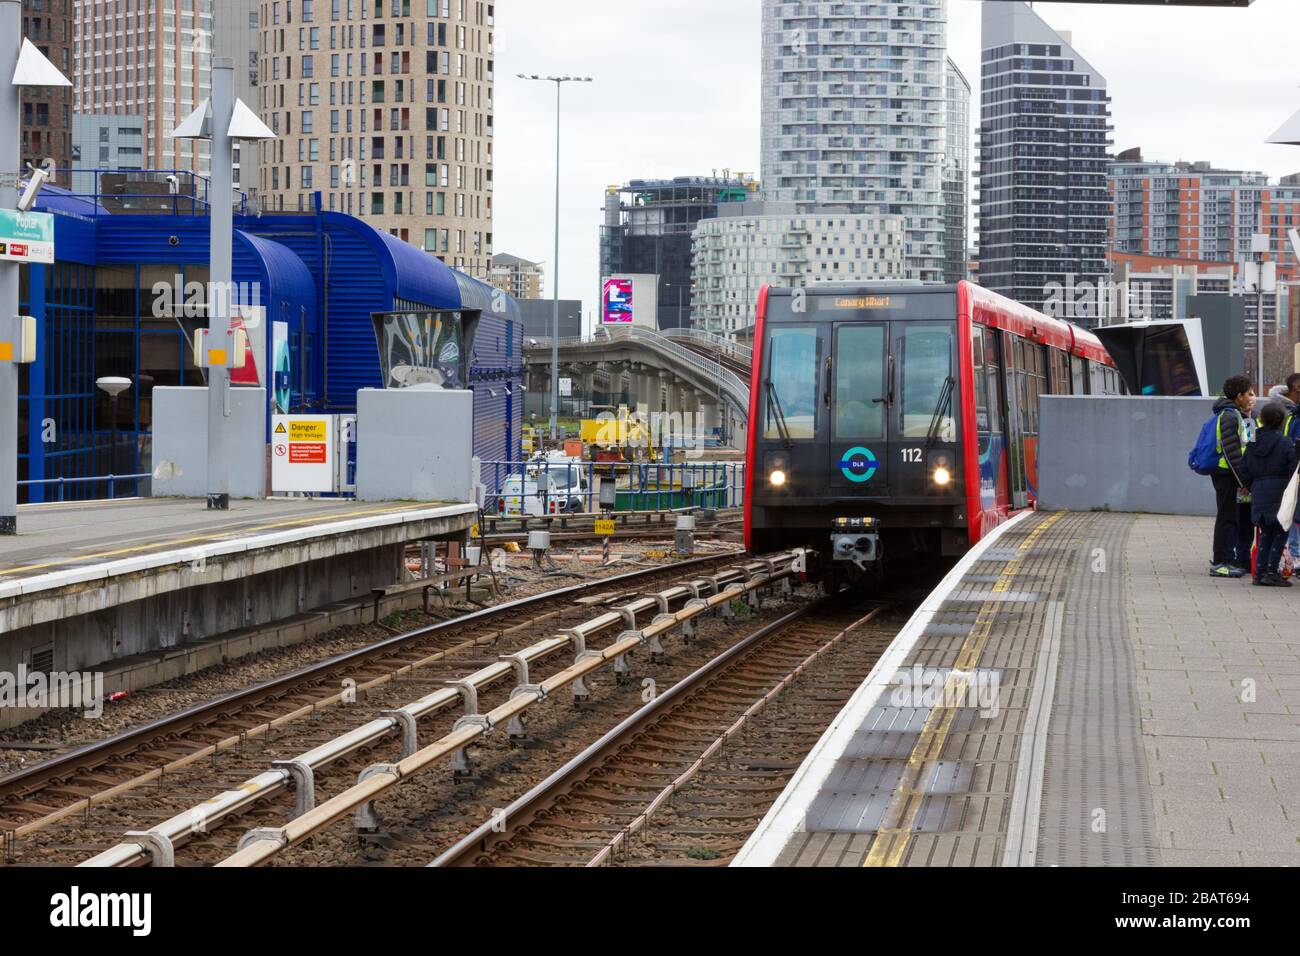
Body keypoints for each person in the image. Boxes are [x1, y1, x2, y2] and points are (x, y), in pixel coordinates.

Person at [1244, 401, 1297, 586]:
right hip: (1280, 493)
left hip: (1259, 491)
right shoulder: (1285, 443)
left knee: (1265, 533)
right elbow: (1293, 470)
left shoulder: (1252, 442)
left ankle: (1259, 573)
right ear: (1282, 420)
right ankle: (1271, 572)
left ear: (1261, 420)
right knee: (1280, 533)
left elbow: (1244, 468)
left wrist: (1252, 486)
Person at [1209, 375, 1255, 578]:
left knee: (1230, 517)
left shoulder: (1234, 413)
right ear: (1239, 396)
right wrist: (1242, 480)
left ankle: (1225, 559)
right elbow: (1231, 451)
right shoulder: (1229, 415)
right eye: (1249, 393)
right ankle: (1220, 562)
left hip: (1229, 474)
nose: (1251, 397)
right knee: (1226, 518)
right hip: (1225, 473)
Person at [1270, 374, 1300, 565]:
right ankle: (1293, 555)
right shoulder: (1288, 414)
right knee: (1292, 512)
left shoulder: (1292, 415)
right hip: (1290, 472)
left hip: (1288, 471)